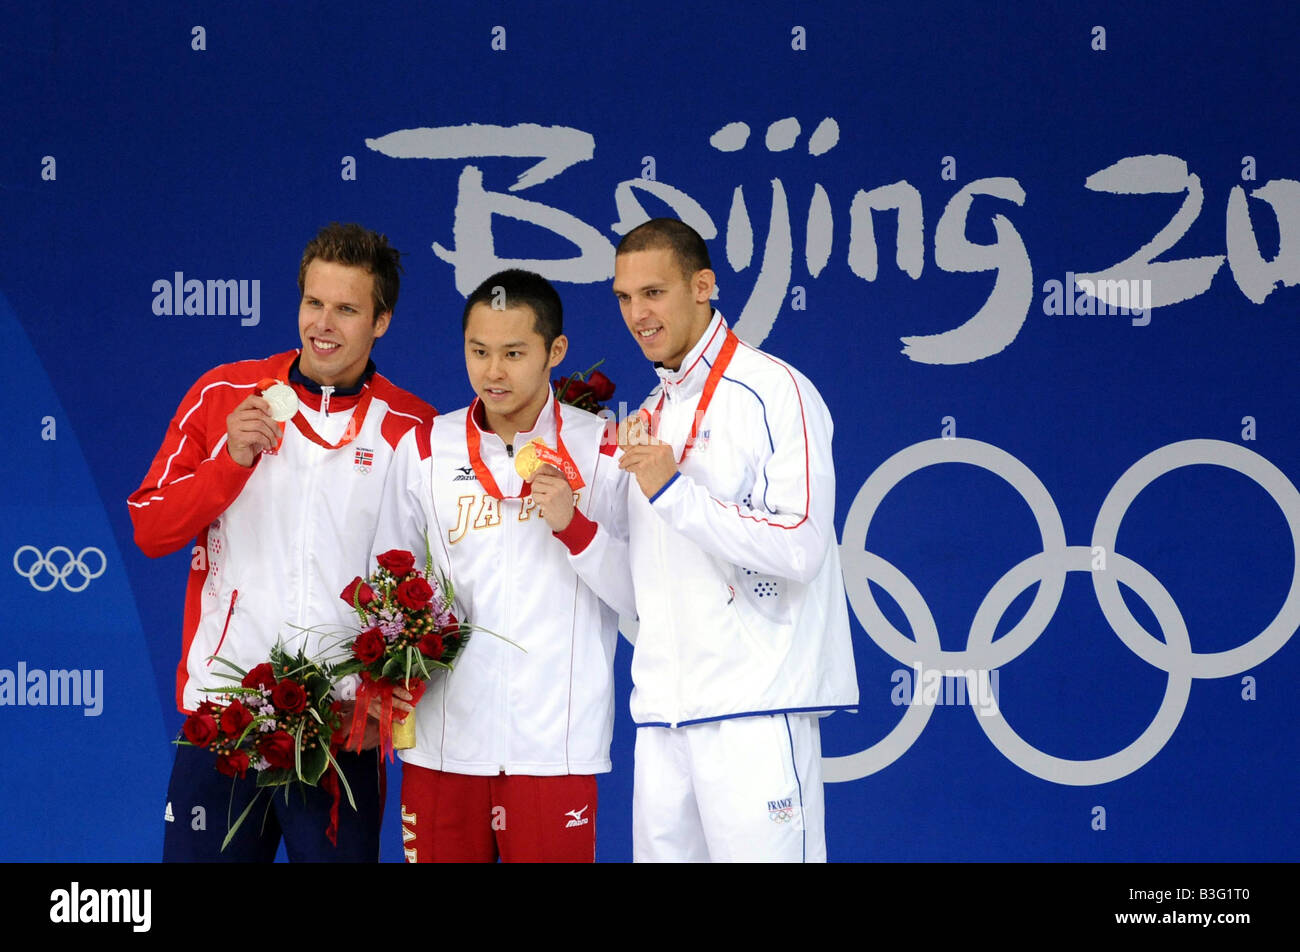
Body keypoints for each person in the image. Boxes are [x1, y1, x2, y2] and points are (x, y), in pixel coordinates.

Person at [129, 223, 436, 862]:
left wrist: (394, 694)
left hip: (342, 733)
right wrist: (229, 462)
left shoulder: (415, 429)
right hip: (225, 717)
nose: (323, 324)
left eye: (347, 309)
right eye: (313, 303)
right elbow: (151, 528)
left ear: (382, 320)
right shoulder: (222, 396)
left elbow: (439, 593)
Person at [612, 217, 858, 862]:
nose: (638, 314)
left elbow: (801, 545)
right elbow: (642, 579)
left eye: (654, 293)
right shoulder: (652, 411)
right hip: (663, 717)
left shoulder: (776, 391)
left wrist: (674, 491)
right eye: (624, 297)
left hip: (754, 710)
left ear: (703, 285)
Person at [371, 268, 633, 862]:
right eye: (479, 351)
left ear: (554, 351)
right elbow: (385, 585)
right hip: (441, 747)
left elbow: (640, 596)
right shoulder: (424, 450)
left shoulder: (601, 450)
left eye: (514, 353)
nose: (493, 371)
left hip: (553, 747)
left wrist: (575, 526)